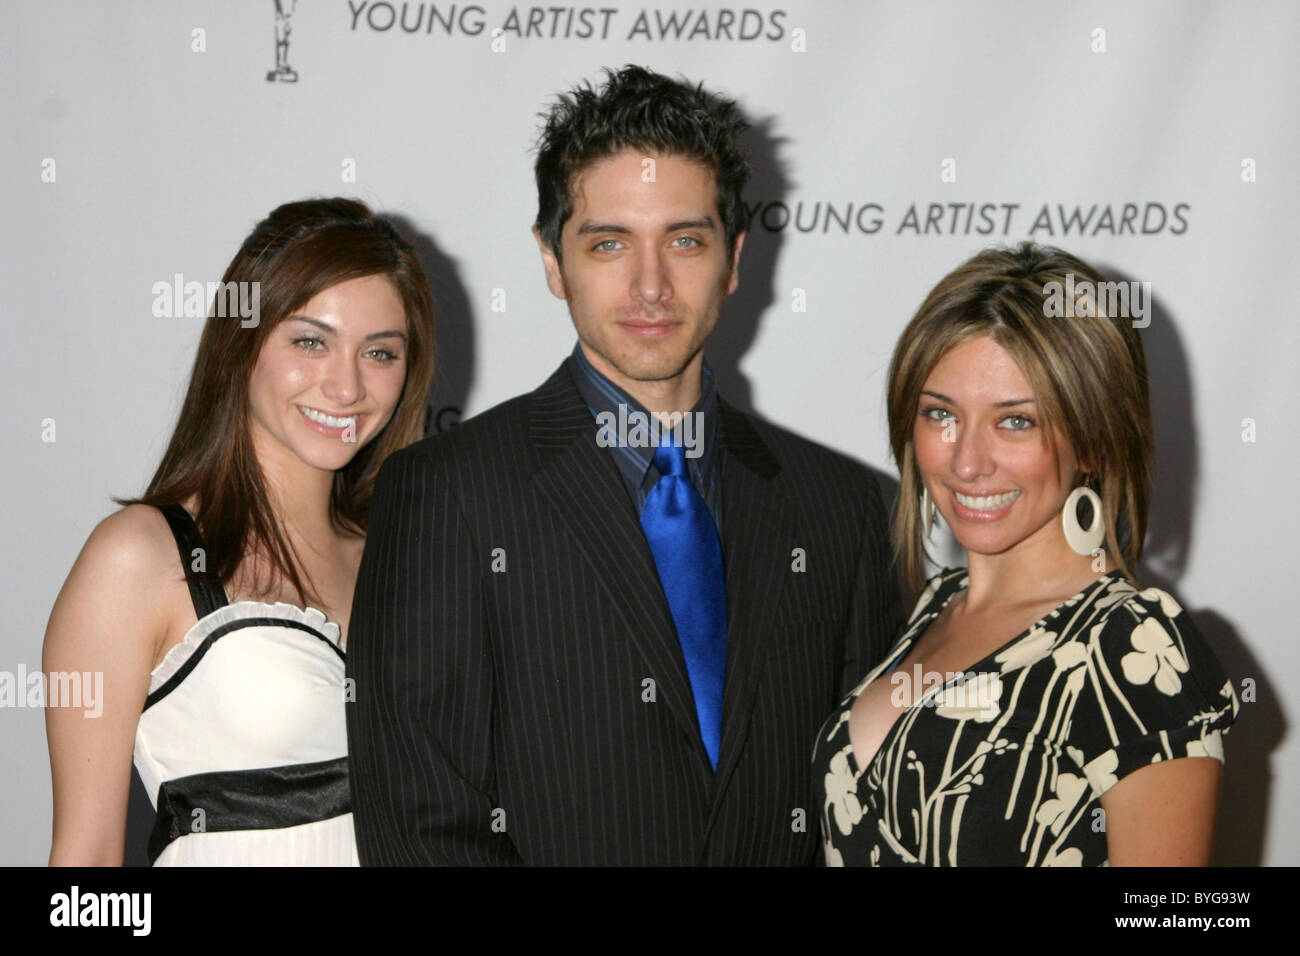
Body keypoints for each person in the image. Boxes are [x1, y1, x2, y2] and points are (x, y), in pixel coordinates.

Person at [345, 65, 904, 865]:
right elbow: (421, 825)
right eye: (608, 244)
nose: (651, 286)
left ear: (735, 259)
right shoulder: (447, 494)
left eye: (685, 240)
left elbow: (863, 815)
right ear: (550, 260)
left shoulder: (843, 507)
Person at [813, 241, 1239, 866]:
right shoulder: (936, 606)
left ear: (1095, 440)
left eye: (1016, 421)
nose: (966, 461)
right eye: (940, 414)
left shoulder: (1130, 644)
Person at [43, 197, 436, 865]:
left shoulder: (412, 556)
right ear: (242, 341)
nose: (345, 386)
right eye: (310, 341)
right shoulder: (140, 557)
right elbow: (84, 865)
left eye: (379, 352)